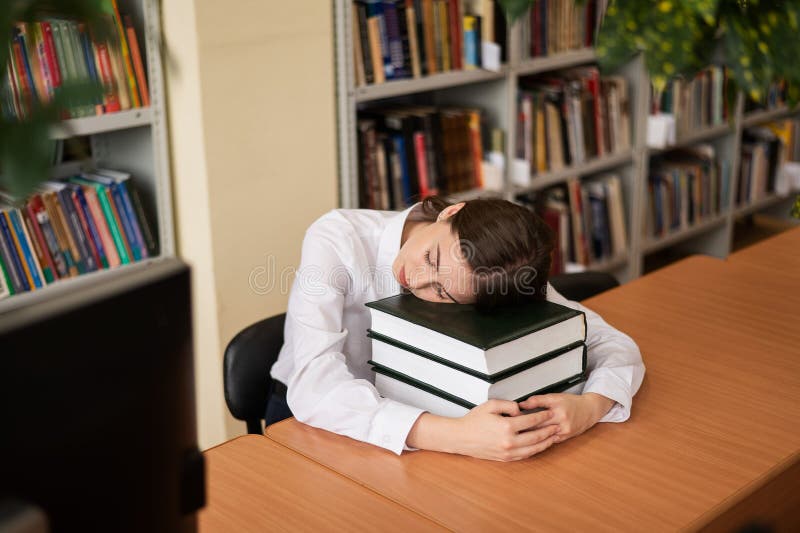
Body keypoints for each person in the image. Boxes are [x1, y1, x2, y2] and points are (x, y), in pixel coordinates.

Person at [267, 197, 645, 461]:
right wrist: (457, 437)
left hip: (426, 409)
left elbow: (609, 341)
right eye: (432, 257)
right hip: (310, 417)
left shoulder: (500, 274)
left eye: (443, 292)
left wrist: (590, 407)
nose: (415, 280)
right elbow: (315, 386)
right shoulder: (337, 238)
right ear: (450, 212)